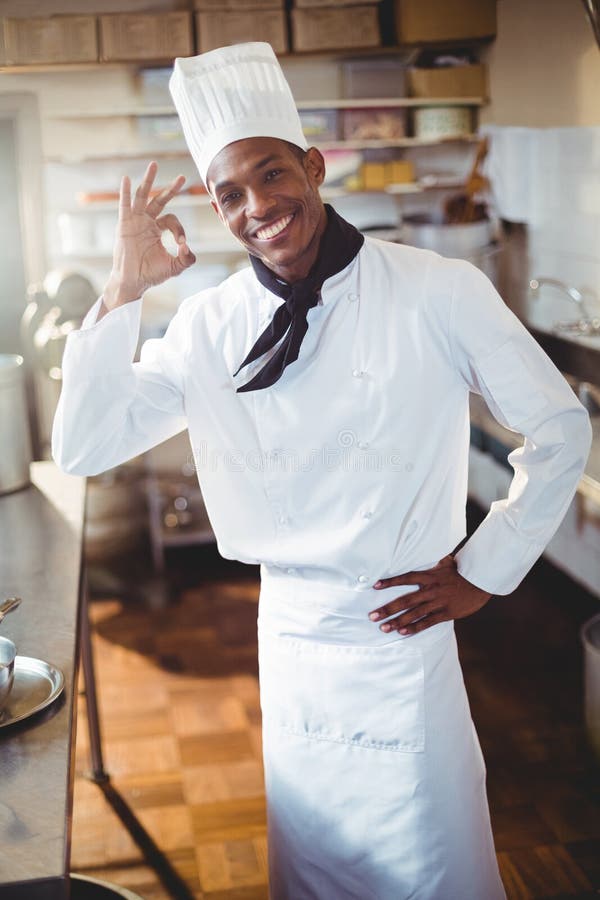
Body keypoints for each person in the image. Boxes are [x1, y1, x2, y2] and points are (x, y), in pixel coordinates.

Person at [52, 42, 592, 900]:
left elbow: (561, 428)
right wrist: (124, 287)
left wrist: (487, 571)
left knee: (428, 864)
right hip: (293, 638)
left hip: (401, 633)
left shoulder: (436, 290)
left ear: (313, 163)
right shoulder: (208, 325)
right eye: (231, 194)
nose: (258, 206)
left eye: (272, 175)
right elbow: (82, 446)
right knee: (314, 868)